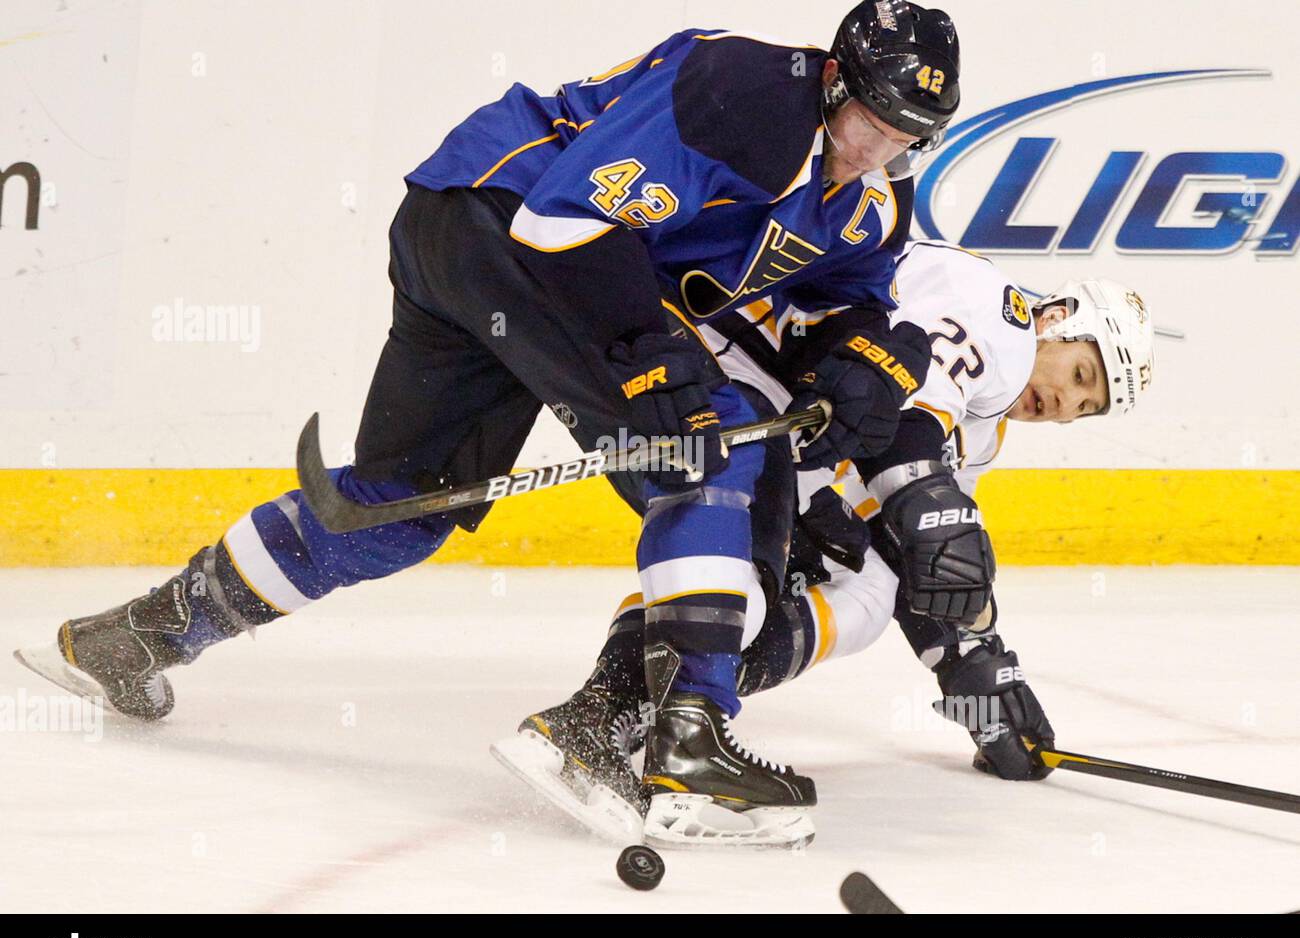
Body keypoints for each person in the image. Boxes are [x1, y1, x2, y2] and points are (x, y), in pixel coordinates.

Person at [15, 5, 961, 847]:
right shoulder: (749, 92)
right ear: (835, 78)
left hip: (455, 220)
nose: (875, 149)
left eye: (904, 137)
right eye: (870, 122)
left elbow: (850, 295)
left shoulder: (873, 196)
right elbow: (562, 221)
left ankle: (141, 633)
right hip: (506, 229)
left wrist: (861, 363)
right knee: (709, 449)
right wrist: (654, 358)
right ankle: (679, 742)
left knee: (401, 503)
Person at [495, 239, 1156, 845]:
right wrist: (892, 510)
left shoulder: (984, 431)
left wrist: (975, 677)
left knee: (868, 589)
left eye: (1087, 407)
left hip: (782, 415)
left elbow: (920, 553)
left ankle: (656, 713)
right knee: (746, 583)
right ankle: (594, 721)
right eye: (1080, 374)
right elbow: (907, 424)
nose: (1067, 403)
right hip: (728, 370)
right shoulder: (998, 313)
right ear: (1056, 317)